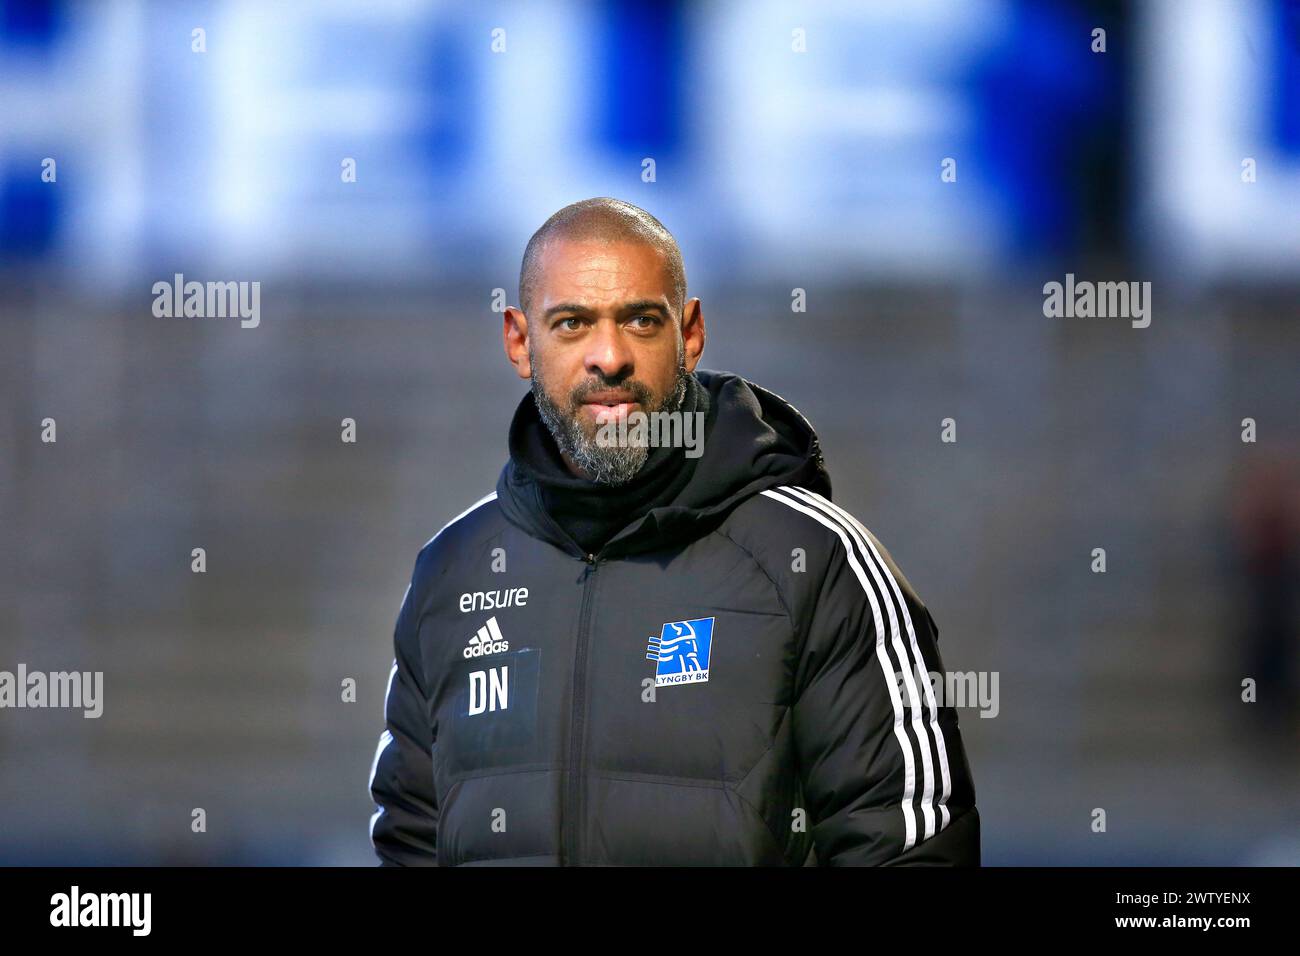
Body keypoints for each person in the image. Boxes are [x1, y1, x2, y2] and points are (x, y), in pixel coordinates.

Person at [368, 197, 980, 865]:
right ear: (520, 341)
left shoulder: (816, 561)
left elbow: (909, 851)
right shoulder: (451, 574)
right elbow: (410, 842)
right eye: (572, 323)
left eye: (640, 321)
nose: (609, 357)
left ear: (689, 334)